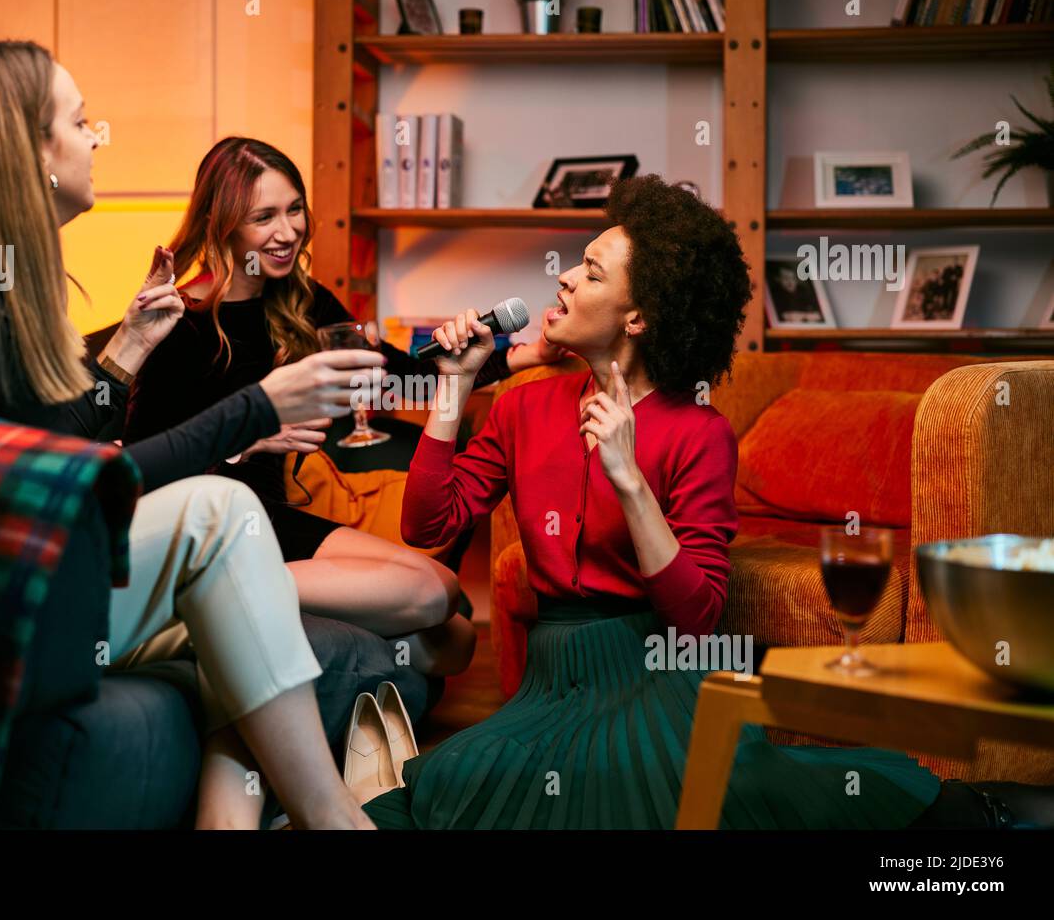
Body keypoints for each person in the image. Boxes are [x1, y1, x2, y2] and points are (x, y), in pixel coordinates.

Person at [362, 173, 1053, 829]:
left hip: (655, 668)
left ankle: (964, 813)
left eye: (593, 271)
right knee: (447, 788)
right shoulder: (526, 408)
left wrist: (631, 481)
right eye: (577, 263)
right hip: (554, 676)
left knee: (688, 790)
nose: (565, 276)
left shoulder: (699, 432)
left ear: (638, 317)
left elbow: (695, 614)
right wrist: (451, 388)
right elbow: (428, 523)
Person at [0, 40, 379, 830]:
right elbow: (67, 485)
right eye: (80, 122)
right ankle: (334, 818)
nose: (97, 137)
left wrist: (122, 357)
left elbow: (51, 442)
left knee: (236, 609)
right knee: (221, 514)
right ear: (23, 150)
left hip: (8, 564)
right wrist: (259, 407)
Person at [125, 136, 565, 676]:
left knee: (453, 637)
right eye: (264, 216)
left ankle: (288, 625)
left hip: (275, 518)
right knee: (433, 593)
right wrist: (247, 442)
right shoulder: (181, 322)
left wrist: (522, 356)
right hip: (211, 531)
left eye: (294, 210)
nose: (287, 232)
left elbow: (400, 379)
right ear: (223, 224)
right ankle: (204, 595)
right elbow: (144, 470)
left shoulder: (299, 299)